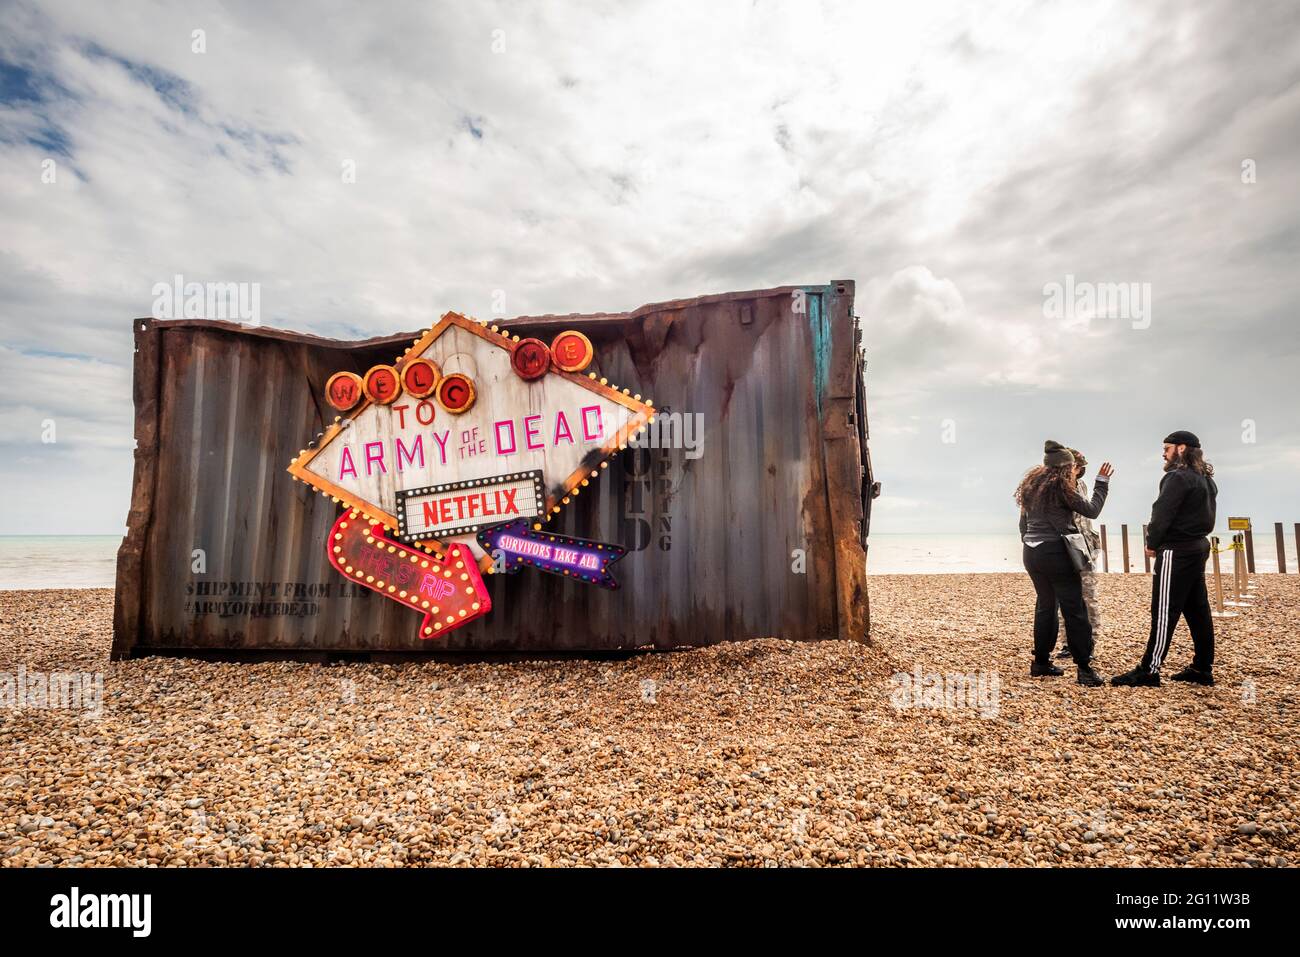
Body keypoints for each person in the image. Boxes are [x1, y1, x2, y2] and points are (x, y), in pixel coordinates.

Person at [1112, 431, 1218, 687]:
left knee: (1163, 611)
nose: (1164, 452)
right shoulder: (1206, 479)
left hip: (1176, 551)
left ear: (1181, 449)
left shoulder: (1176, 477)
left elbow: (1161, 513)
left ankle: (1149, 670)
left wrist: (1152, 543)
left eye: (1167, 448)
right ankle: (1202, 667)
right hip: (1198, 547)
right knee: (1197, 609)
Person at [1016, 440, 1113, 686]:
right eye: (1071, 467)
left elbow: (1023, 524)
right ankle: (1085, 669)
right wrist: (1102, 484)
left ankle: (1040, 662)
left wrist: (1028, 541)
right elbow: (1092, 510)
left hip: (1031, 553)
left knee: (1046, 605)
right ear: (1064, 468)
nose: (1074, 471)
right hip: (1055, 553)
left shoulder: (1031, 486)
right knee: (1074, 608)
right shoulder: (1061, 488)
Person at [1055, 448, 1102, 659]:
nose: (1078, 470)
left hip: (1085, 550)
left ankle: (1089, 642)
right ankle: (1068, 644)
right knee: (1067, 599)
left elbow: (1090, 512)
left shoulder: (1079, 485)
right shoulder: (1055, 488)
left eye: (1079, 467)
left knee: (1089, 599)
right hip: (1065, 549)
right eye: (1075, 466)